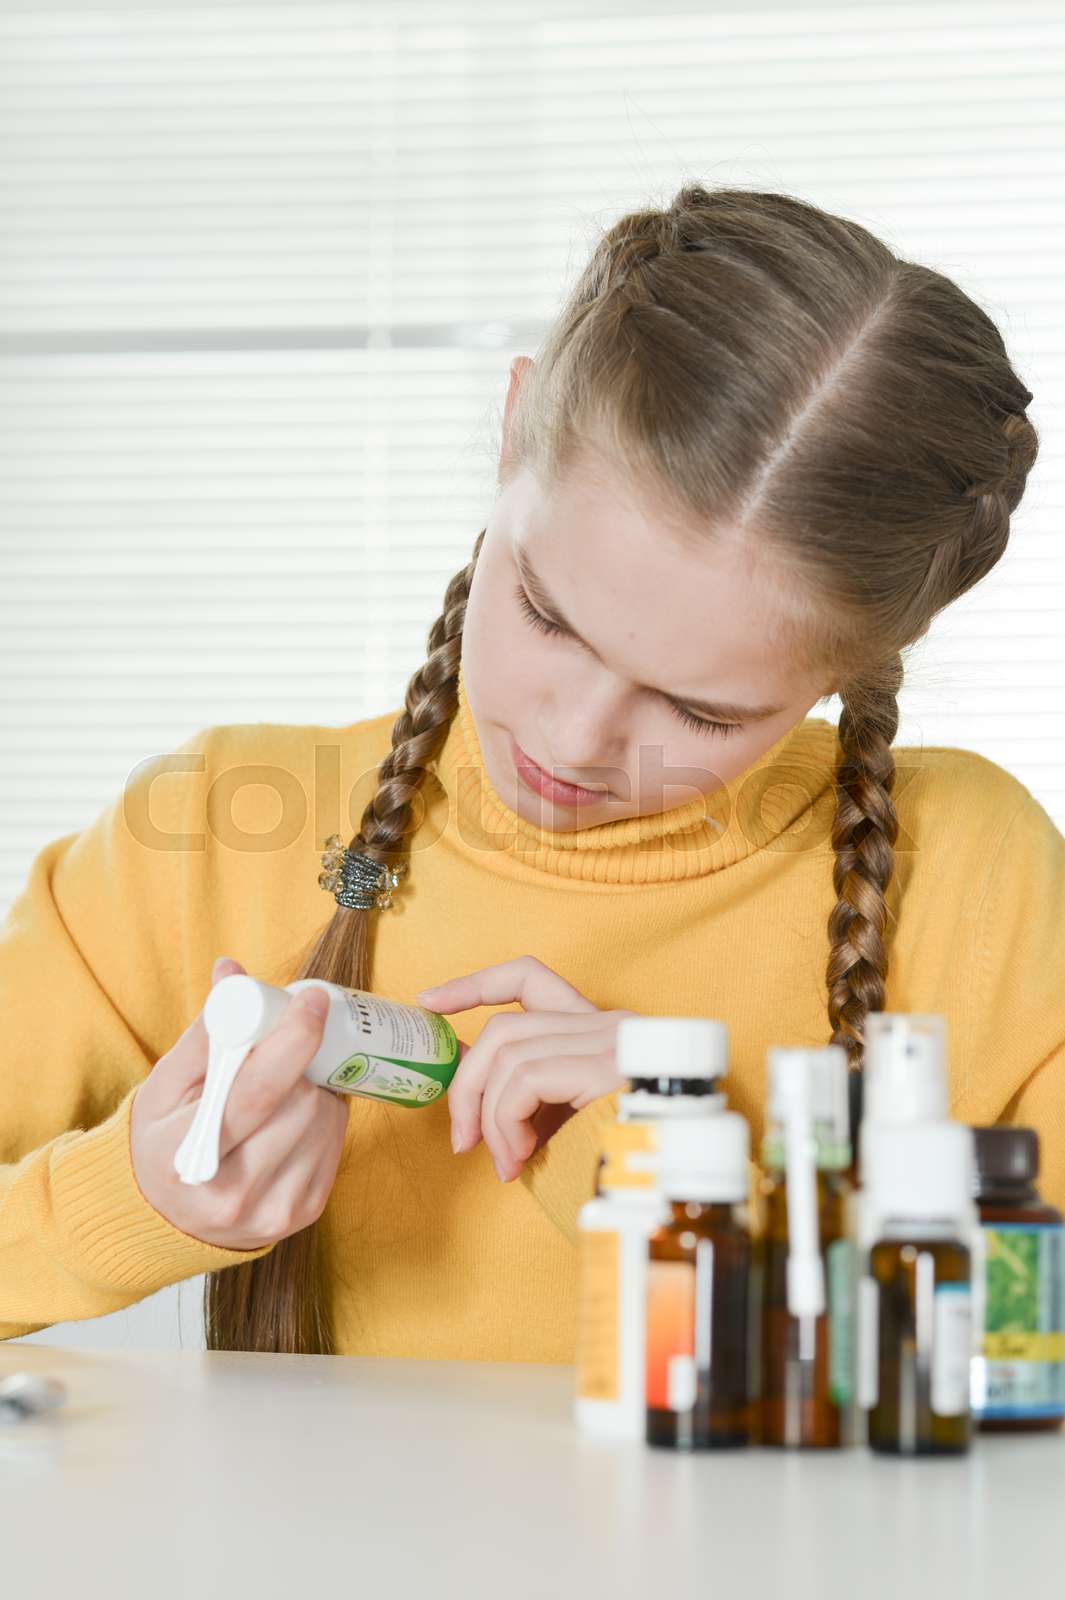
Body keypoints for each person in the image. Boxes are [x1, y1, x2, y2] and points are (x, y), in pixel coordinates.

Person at [1, 184, 1059, 1362]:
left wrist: (681, 1183)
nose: (575, 739)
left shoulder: (973, 876)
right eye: (549, 616)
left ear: (857, 663)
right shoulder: (205, 834)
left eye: (700, 708)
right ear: (511, 433)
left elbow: (1029, 1360)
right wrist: (129, 1198)